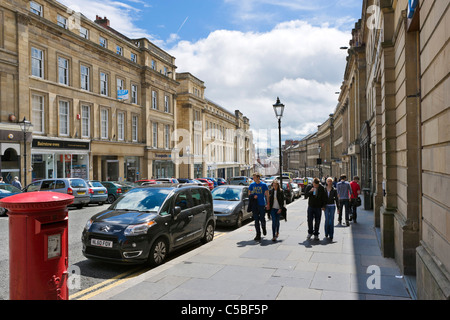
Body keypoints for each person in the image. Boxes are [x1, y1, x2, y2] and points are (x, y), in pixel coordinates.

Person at [248, 172, 269, 241]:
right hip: (255, 205)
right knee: (256, 220)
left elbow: (267, 195)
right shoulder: (251, 185)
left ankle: (263, 227)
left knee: (262, 218)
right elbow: (249, 194)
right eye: (253, 177)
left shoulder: (263, 185)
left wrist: (268, 204)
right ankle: (258, 234)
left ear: (258, 178)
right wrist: (253, 196)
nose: (253, 179)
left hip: (262, 204)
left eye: (254, 177)